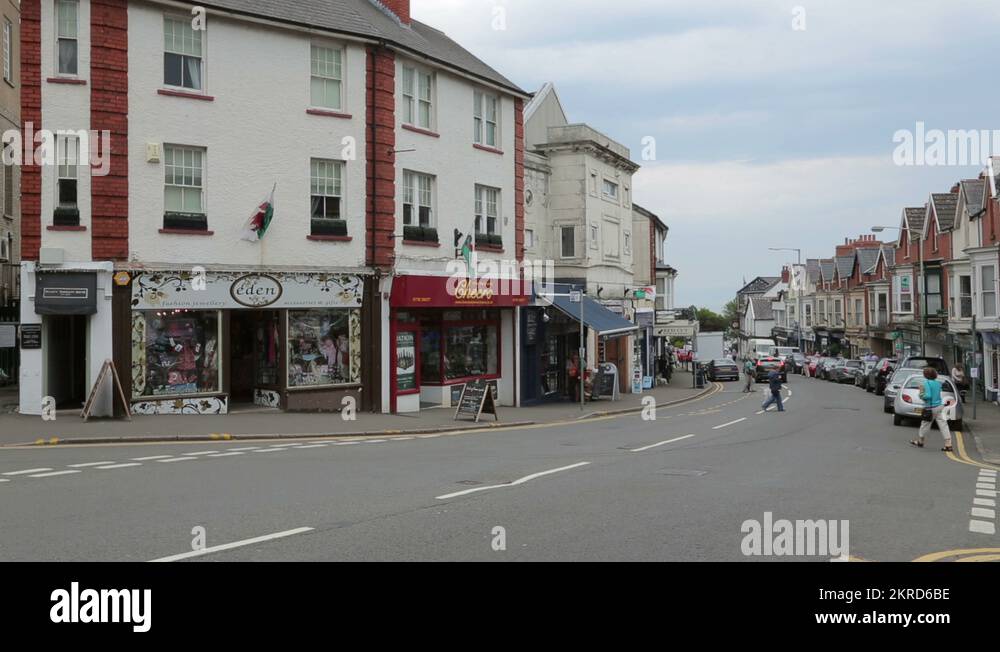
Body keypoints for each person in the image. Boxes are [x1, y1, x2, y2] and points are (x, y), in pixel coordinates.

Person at [911, 367, 953, 452]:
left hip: (930, 407)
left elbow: (928, 396)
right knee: (943, 425)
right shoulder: (937, 383)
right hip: (939, 406)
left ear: (925, 375)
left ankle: (920, 441)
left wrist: (921, 394)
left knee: (925, 424)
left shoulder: (926, 383)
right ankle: (948, 444)